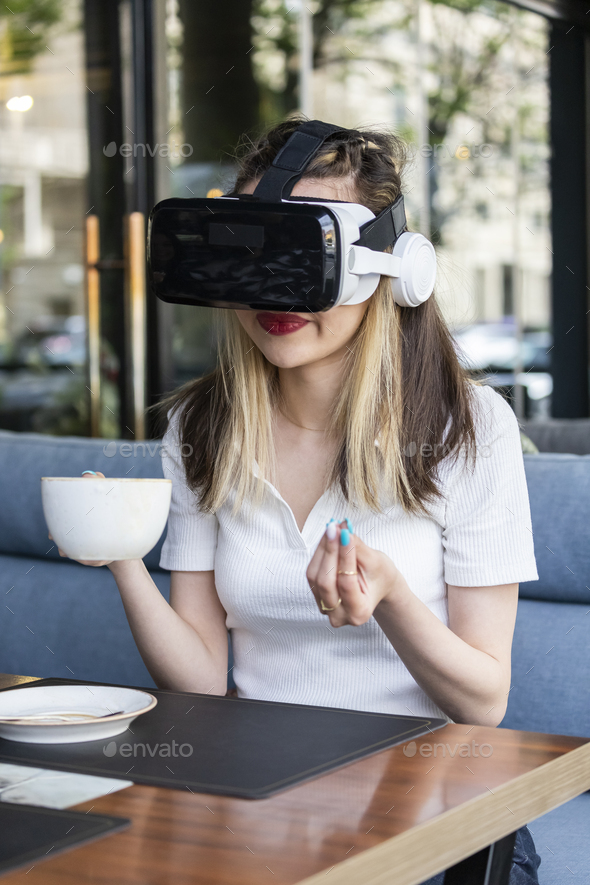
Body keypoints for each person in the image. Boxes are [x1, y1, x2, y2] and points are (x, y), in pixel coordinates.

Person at [71, 119, 541, 883]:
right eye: (257, 257)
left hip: (435, 812)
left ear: (397, 270)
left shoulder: (469, 427)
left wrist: (389, 597)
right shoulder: (203, 427)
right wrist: (124, 553)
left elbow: (485, 700)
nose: (274, 295)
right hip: (263, 798)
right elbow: (195, 681)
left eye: (304, 260)